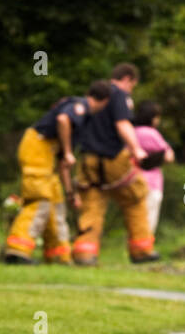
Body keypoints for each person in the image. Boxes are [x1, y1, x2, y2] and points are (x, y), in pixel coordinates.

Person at [5, 81, 112, 266]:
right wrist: (70, 151)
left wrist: (71, 193)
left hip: (48, 156)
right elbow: (63, 119)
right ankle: (18, 251)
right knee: (40, 200)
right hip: (37, 147)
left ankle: (58, 256)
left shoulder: (79, 124)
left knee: (56, 203)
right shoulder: (80, 107)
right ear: (104, 102)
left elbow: (64, 164)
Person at [72, 63, 156, 265]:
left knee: (92, 202)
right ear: (127, 79)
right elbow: (122, 124)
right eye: (132, 86)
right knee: (135, 197)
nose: (131, 90)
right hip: (113, 157)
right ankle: (141, 250)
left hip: (88, 160)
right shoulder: (117, 94)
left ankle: (85, 253)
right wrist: (136, 149)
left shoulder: (93, 95)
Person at [133, 100, 174, 236]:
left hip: (132, 179)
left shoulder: (131, 131)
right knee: (149, 217)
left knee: (135, 216)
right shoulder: (151, 133)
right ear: (152, 117)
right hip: (151, 182)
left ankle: (135, 246)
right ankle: (145, 248)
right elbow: (168, 156)